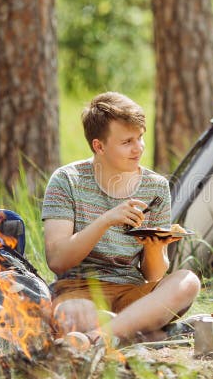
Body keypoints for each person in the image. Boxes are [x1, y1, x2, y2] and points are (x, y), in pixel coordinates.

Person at [42, 92, 200, 345]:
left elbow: (153, 274)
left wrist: (155, 247)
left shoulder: (155, 187)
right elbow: (58, 260)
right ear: (99, 146)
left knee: (188, 281)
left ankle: (103, 333)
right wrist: (106, 220)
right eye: (127, 141)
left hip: (132, 291)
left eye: (140, 138)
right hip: (79, 290)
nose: (138, 148)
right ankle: (136, 328)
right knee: (71, 313)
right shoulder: (67, 180)